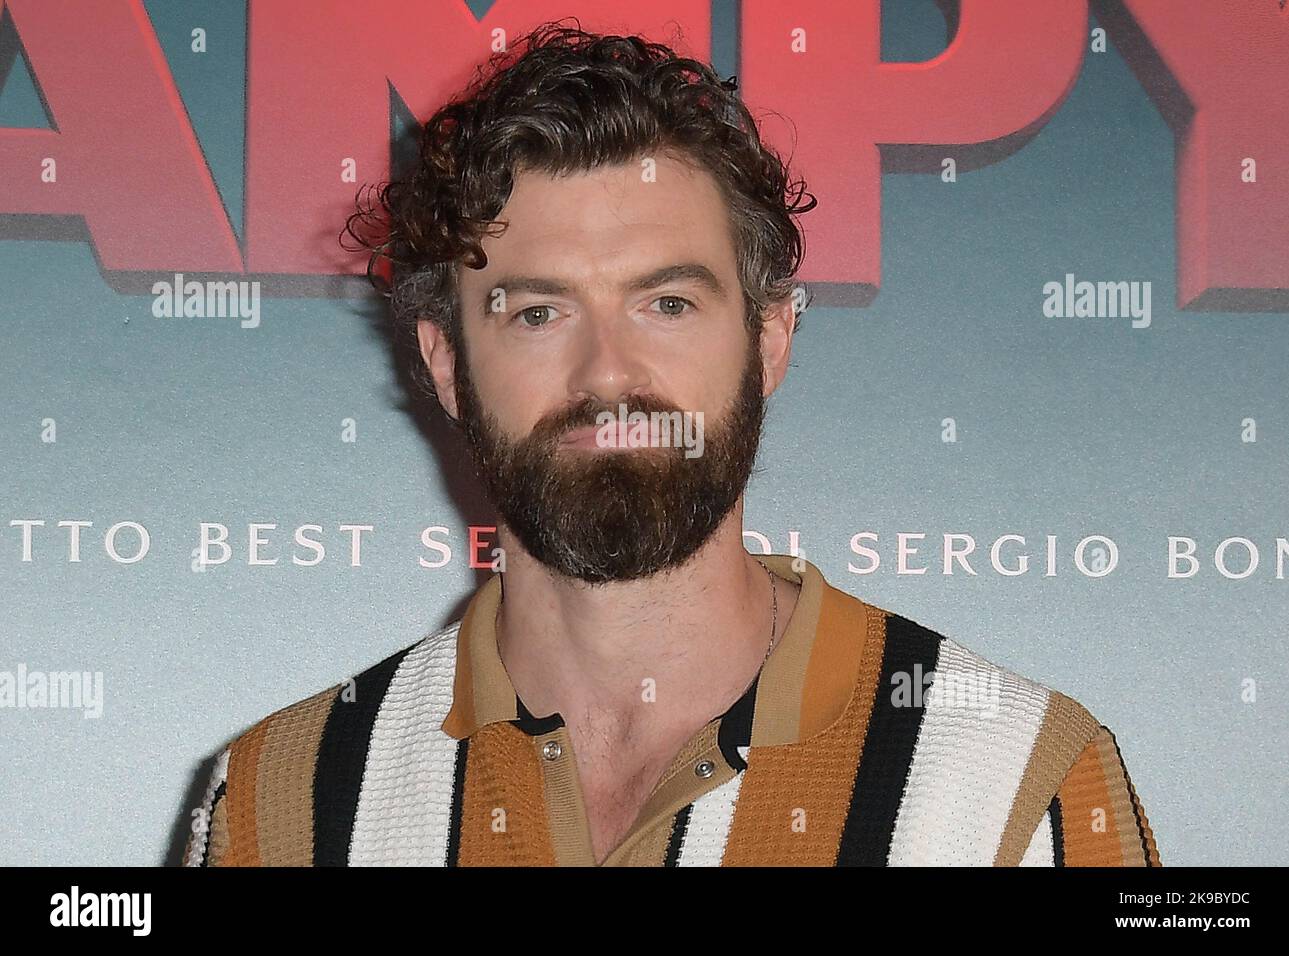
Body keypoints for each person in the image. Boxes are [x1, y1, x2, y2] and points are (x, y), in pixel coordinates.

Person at [181, 22, 1158, 867]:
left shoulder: (1017, 783)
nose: (607, 372)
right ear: (445, 362)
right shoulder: (281, 800)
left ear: (768, 337)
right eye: (535, 312)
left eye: (667, 302)